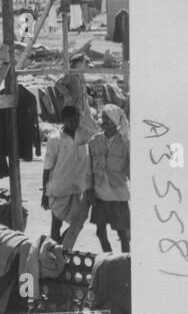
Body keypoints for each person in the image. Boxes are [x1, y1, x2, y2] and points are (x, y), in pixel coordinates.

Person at [43, 105, 91, 249]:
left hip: (78, 189)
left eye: (76, 119)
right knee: (56, 224)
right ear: (63, 120)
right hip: (59, 188)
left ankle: (62, 250)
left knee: (79, 222)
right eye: (70, 120)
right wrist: (44, 194)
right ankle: (53, 257)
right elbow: (47, 167)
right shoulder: (54, 139)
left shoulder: (85, 135)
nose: (74, 123)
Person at [87, 104, 131, 253]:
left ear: (115, 122)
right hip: (100, 193)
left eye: (107, 119)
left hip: (118, 195)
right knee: (100, 233)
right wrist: (89, 190)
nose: (103, 121)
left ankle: (125, 261)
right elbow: (88, 170)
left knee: (123, 234)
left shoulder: (125, 143)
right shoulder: (94, 141)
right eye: (102, 118)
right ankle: (109, 259)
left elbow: (131, 170)